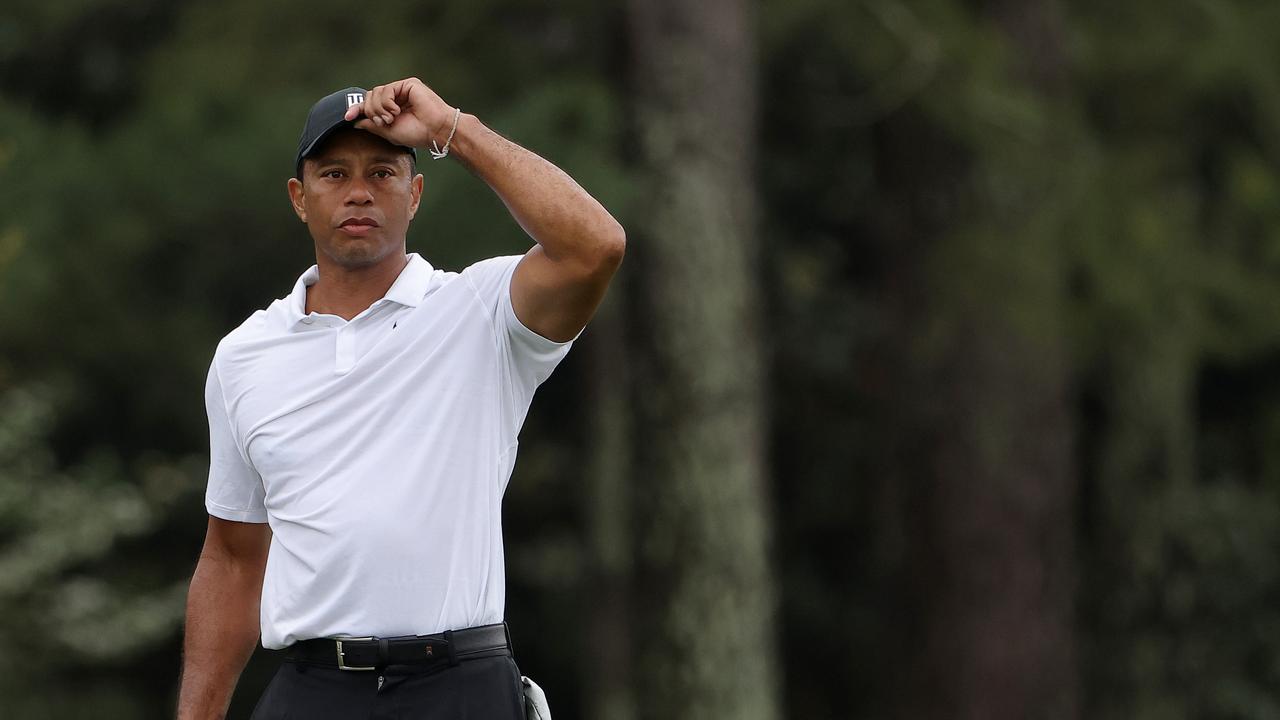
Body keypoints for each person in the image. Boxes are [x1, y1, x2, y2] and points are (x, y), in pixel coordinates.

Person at [175, 77, 624, 720]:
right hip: (311, 690)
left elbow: (594, 246)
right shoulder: (246, 355)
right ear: (299, 199)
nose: (359, 191)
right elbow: (233, 557)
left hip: (460, 685)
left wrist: (450, 129)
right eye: (334, 173)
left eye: (383, 172)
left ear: (415, 195)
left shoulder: (480, 310)